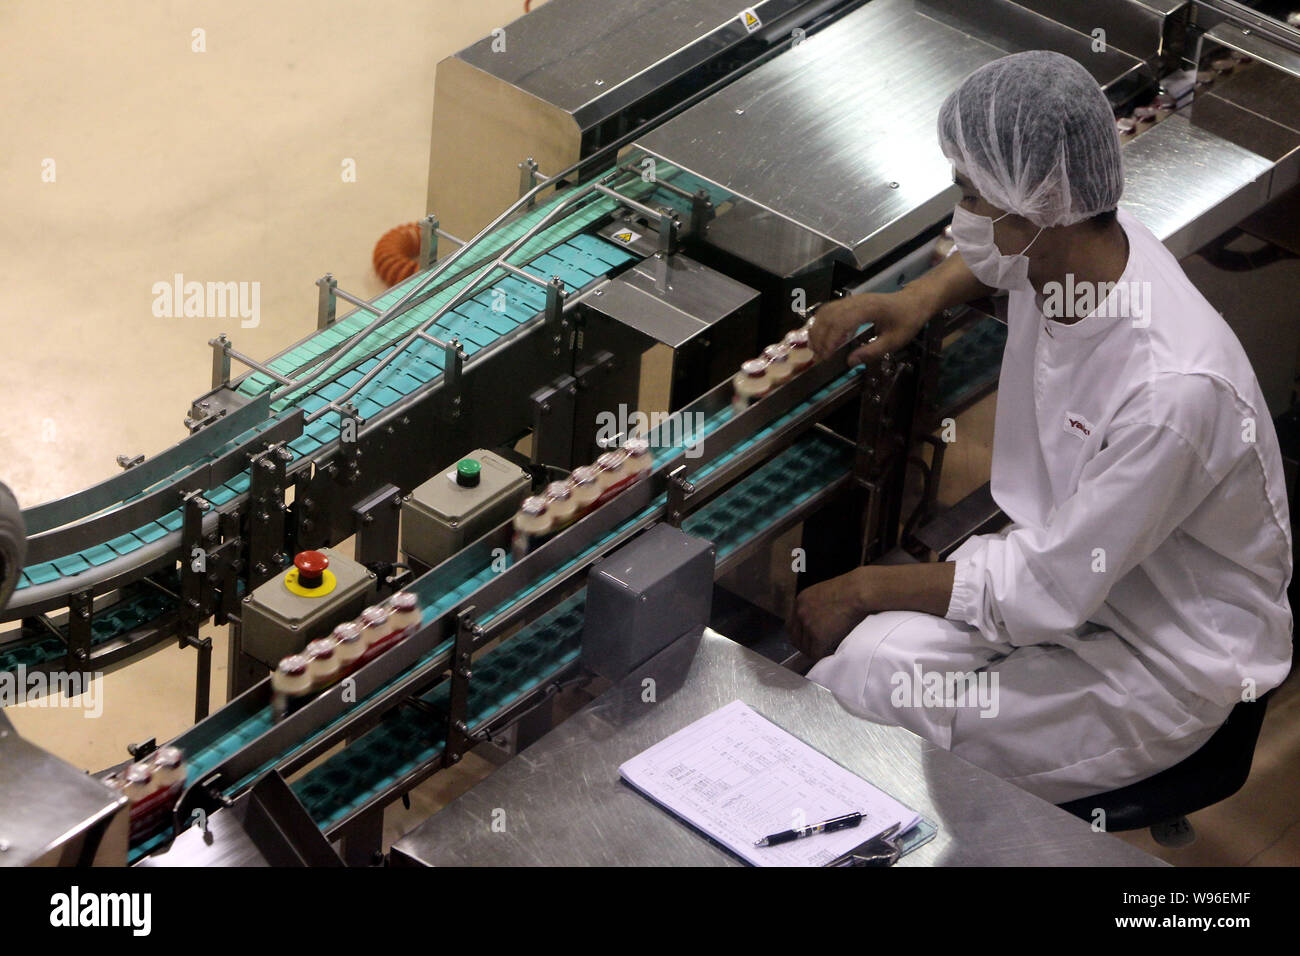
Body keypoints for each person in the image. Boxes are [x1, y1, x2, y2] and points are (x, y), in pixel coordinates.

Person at [791, 50, 1292, 804]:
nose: (960, 212)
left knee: (893, 752)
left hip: (1163, 658)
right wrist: (918, 299)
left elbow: (1046, 589)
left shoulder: (1172, 392)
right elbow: (992, 262)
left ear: (1036, 211)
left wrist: (864, 586)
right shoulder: (1080, 252)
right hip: (1073, 582)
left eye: (970, 193)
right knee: (860, 672)